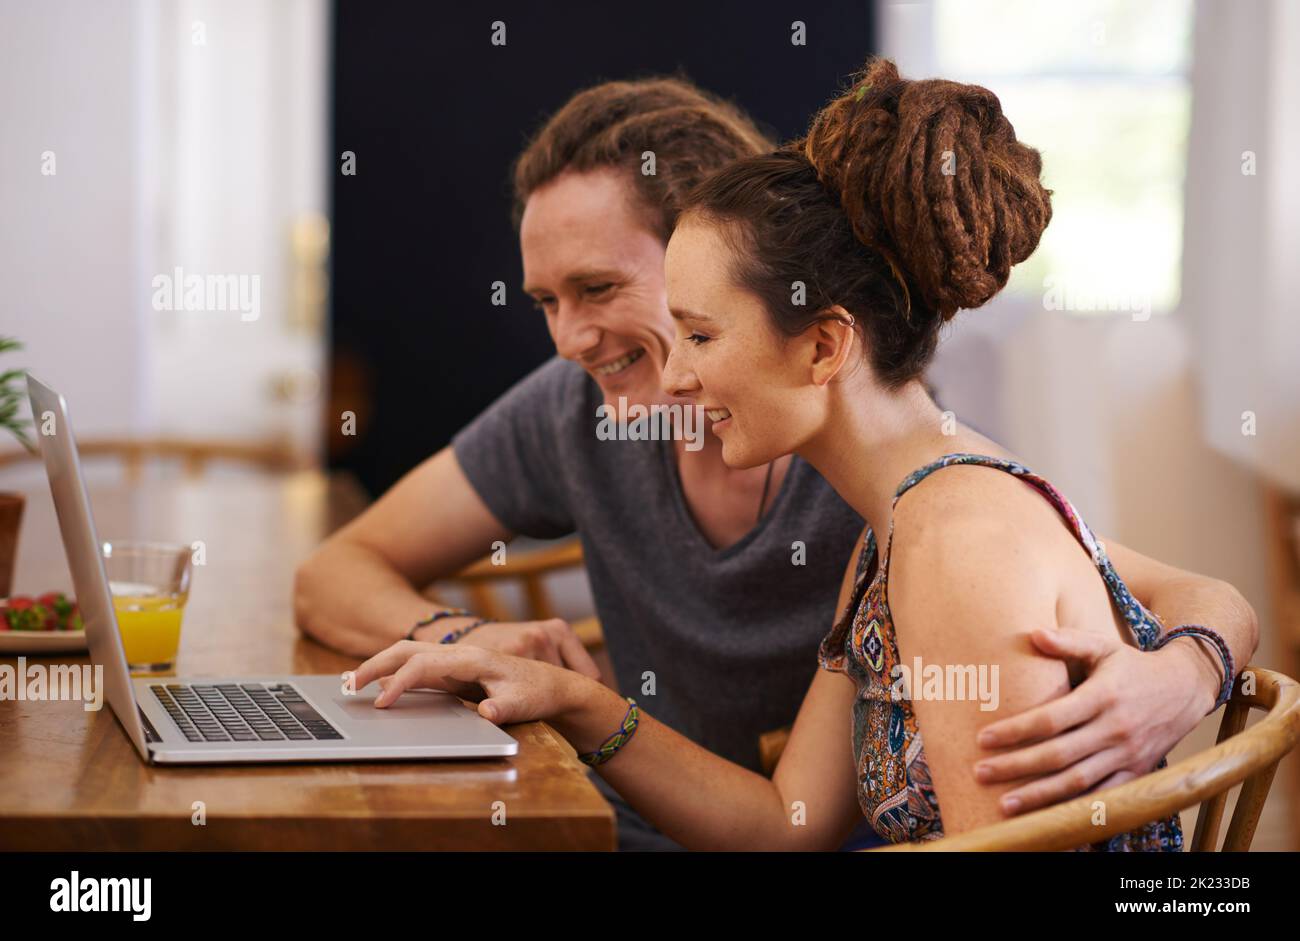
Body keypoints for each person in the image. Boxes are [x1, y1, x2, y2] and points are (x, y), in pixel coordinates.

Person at [298, 64, 1257, 849]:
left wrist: (1187, 671)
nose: (672, 380)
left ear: (823, 342)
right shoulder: (889, 534)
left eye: (700, 334)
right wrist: (581, 701)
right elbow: (784, 825)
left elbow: (1189, 596)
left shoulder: (957, 535)